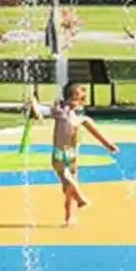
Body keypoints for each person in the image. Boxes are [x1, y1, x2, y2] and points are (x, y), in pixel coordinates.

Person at [28, 83, 119, 226]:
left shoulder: (80, 119)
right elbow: (40, 110)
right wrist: (33, 101)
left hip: (72, 155)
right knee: (66, 179)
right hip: (59, 153)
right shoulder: (60, 112)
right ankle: (81, 198)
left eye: (82, 99)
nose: (80, 102)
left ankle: (69, 217)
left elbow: (95, 131)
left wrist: (108, 144)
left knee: (68, 189)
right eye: (77, 97)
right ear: (70, 98)